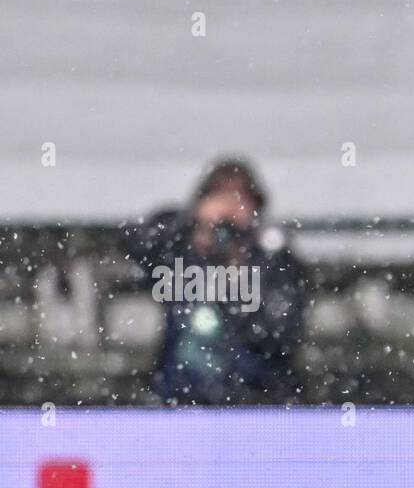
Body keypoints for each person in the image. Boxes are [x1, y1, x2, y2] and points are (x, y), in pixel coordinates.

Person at [124, 158, 307, 405]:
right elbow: (140, 242)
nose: (230, 211)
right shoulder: (182, 254)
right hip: (180, 397)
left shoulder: (273, 260)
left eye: (240, 199)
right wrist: (194, 228)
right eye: (220, 197)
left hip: (257, 401)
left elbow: (279, 333)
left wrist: (237, 279)